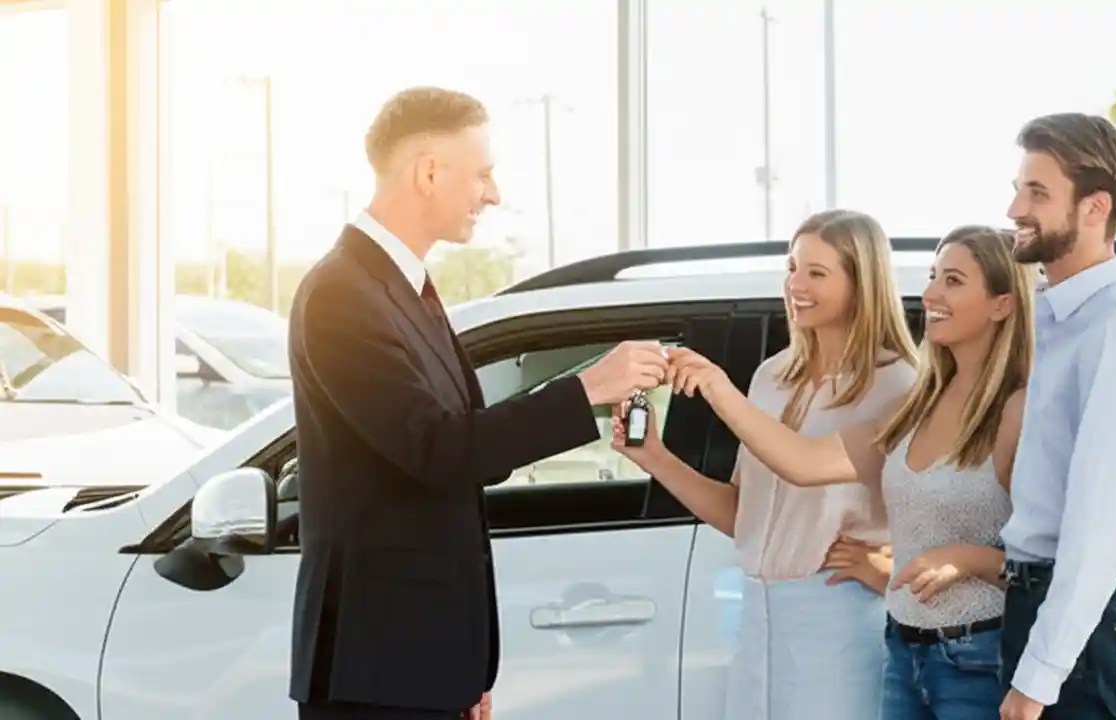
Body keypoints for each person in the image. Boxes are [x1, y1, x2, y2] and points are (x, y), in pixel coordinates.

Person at [286, 86, 669, 720]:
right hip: (375, 673)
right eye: (483, 174)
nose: (493, 194)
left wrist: (456, 670)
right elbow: (436, 449)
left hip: (418, 669)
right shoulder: (342, 294)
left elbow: (473, 452)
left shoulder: (404, 287)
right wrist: (588, 388)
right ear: (429, 172)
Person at [664, 226, 1038, 719]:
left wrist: (958, 559)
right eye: (933, 277)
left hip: (938, 645)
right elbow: (781, 484)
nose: (930, 295)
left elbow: (1047, 557)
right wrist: (651, 452)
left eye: (952, 280)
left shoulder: (957, 396)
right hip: (876, 644)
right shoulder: (915, 401)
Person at [611, 209, 918, 719]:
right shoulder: (773, 376)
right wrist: (656, 458)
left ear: (862, 283)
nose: (795, 284)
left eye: (817, 273)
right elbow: (742, 515)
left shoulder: (897, 385)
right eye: (792, 267)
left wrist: (715, 386)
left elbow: (804, 464)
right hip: (757, 620)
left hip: (839, 622)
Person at [998, 113, 1116, 720]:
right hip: (1044, 602)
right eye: (1019, 187)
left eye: (1037, 193)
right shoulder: (1063, 320)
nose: (1014, 208)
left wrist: (1036, 684)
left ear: (1094, 208)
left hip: (1084, 619)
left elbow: (1099, 527)